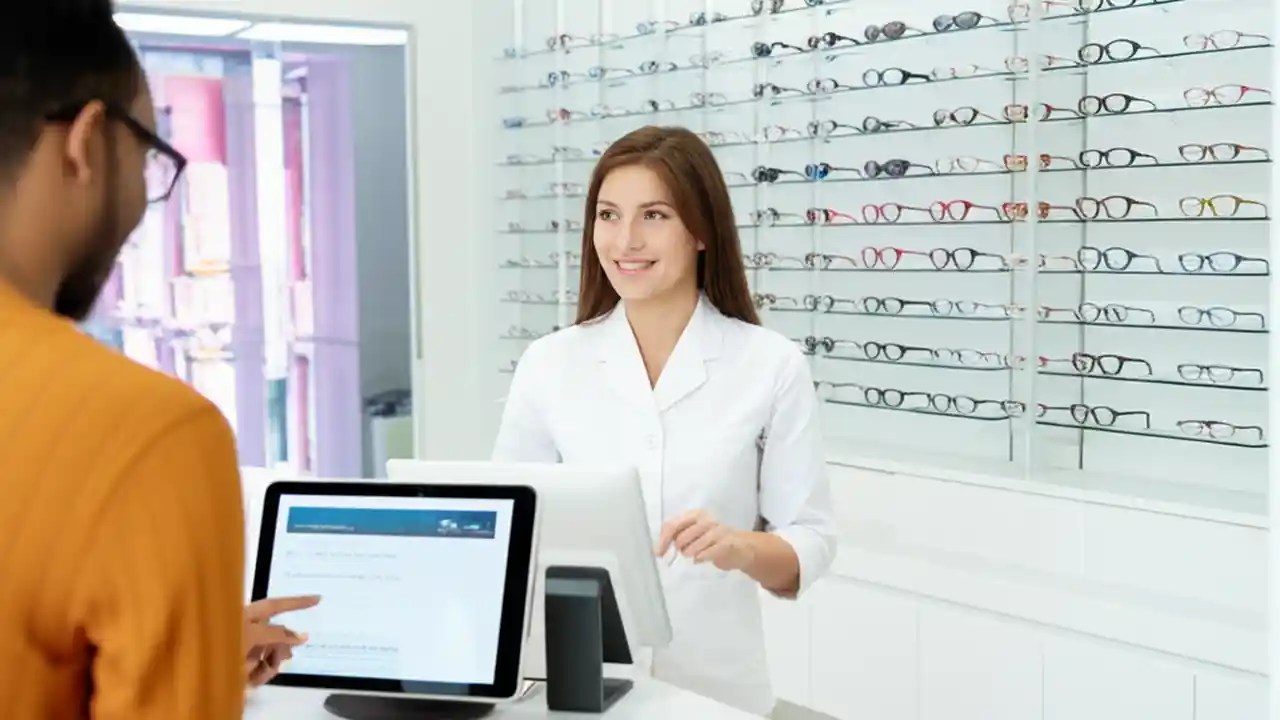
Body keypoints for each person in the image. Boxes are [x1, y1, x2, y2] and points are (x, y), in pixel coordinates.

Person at [0, 2, 315, 717]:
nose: (144, 192)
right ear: (85, 143)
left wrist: (184, 651)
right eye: (146, 155)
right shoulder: (150, 434)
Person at [493, 125, 837, 716]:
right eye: (608, 214)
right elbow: (506, 529)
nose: (625, 239)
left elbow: (809, 541)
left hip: (714, 691)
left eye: (654, 215)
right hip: (574, 685)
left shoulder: (769, 364)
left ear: (700, 231)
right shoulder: (550, 364)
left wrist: (740, 548)